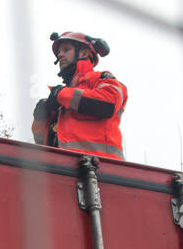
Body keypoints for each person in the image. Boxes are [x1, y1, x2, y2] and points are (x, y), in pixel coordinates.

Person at [31, 30, 128, 160]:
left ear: (84, 53)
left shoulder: (102, 79)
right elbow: (40, 141)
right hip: (64, 170)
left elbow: (108, 103)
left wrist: (61, 94)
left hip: (104, 169)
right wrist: (40, 118)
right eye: (59, 52)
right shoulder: (61, 99)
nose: (60, 55)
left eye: (66, 50)